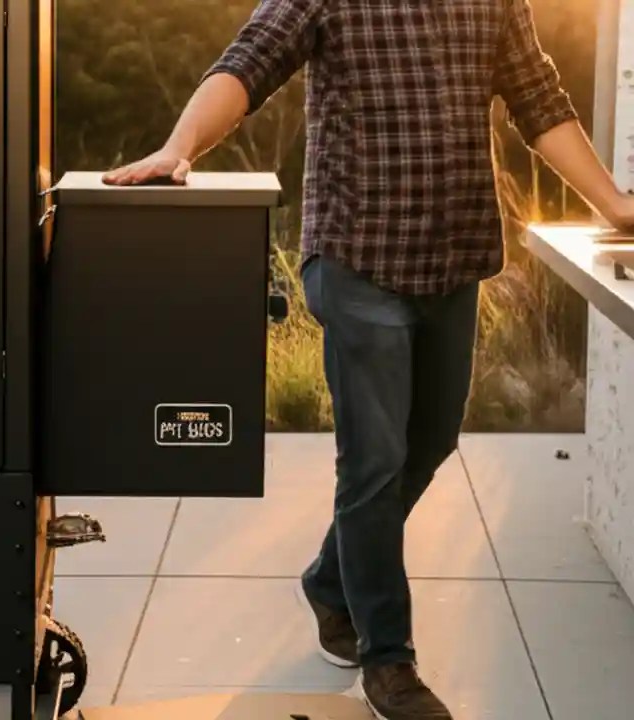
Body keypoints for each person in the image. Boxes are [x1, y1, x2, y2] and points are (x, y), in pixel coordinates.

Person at [103, 1, 634, 718]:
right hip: (359, 255)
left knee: (433, 439)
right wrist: (181, 147)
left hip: (454, 252)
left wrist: (617, 207)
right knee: (374, 463)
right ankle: (389, 660)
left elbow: (539, 99)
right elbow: (248, 63)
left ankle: (331, 580)